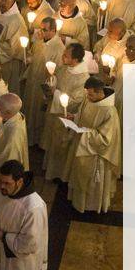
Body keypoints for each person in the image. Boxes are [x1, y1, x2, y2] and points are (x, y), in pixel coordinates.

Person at [63, 77, 121, 213]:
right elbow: (83, 115)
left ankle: (91, 206)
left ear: (100, 92)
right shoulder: (89, 99)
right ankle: (78, 201)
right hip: (83, 145)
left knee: (92, 183)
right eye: (87, 93)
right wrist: (74, 118)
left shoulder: (109, 111)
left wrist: (84, 132)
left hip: (96, 154)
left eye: (90, 94)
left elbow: (105, 139)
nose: (87, 97)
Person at [41, 43, 89, 181]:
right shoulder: (65, 67)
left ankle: (57, 175)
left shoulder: (83, 78)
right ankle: (48, 169)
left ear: (75, 60)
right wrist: (51, 82)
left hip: (66, 116)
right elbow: (57, 79)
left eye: (66, 56)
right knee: (52, 142)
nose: (62, 57)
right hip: (55, 112)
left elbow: (75, 101)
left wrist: (55, 93)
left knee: (61, 146)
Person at [21, 17, 64, 143]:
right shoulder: (39, 42)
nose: (41, 32)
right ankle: (28, 137)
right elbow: (32, 54)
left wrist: (50, 83)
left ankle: (37, 140)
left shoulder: (59, 48)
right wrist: (28, 59)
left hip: (43, 86)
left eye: (44, 29)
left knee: (39, 114)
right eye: (40, 28)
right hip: (32, 82)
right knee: (29, 109)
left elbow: (58, 71)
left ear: (53, 30)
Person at [0, 0, 28, 94]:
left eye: (6, 0)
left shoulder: (17, 20)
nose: (2, 2)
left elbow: (16, 49)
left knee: (7, 89)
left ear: (13, 1)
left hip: (8, 62)